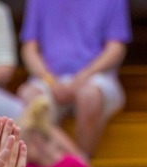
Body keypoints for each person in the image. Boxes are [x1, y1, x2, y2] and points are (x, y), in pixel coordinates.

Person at [19, 0, 129, 156]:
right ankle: (72, 164)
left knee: (89, 95)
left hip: (95, 76)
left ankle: (81, 164)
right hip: (49, 78)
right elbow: (29, 49)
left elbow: (116, 49)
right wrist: (50, 81)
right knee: (30, 96)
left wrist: (82, 78)